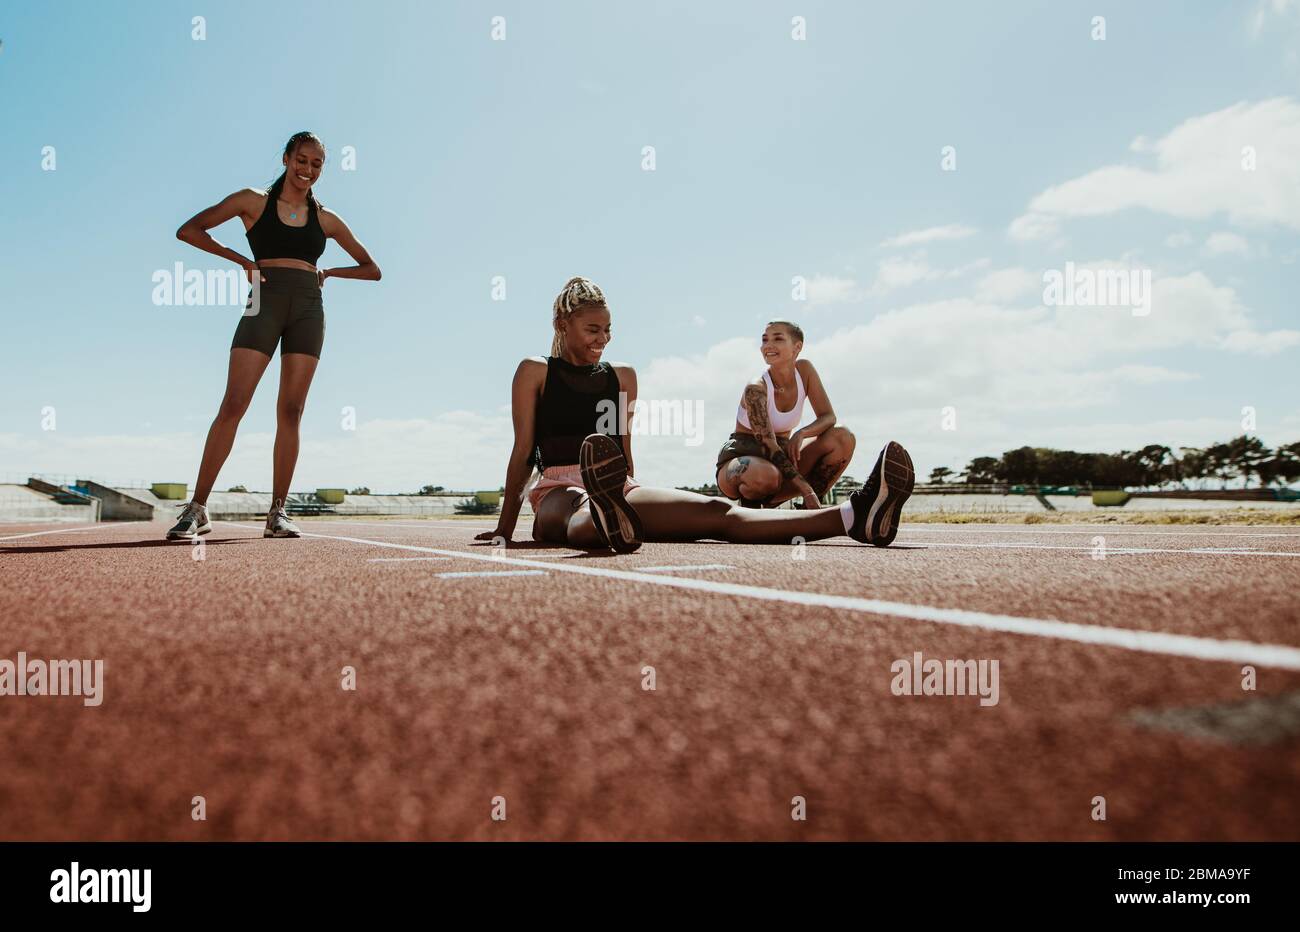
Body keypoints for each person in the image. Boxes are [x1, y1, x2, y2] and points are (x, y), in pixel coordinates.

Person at [476, 277, 915, 553]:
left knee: (716, 512)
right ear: (563, 324)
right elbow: (522, 451)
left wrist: (632, 490)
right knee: (577, 518)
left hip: (618, 487)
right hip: (557, 488)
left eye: (608, 329)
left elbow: (622, 449)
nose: (603, 338)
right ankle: (607, 517)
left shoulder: (622, 376)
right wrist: (504, 529)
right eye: (593, 329)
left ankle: (857, 517)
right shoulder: (535, 372)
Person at [165, 131, 381, 541]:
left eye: (317, 164)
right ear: (286, 158)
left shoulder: (327, 219)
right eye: (302, 160)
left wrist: (331, 272)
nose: (308, 170)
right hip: (263, 302)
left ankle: (277, 512)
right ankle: (197, 508)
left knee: (291, 411)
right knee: (233, 404)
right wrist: (241, 260)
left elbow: (372, 269)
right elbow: (189, 230)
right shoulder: (253, 202)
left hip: (308, 310)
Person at [715, 320, 856, 509]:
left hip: (782, 458)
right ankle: (752, 507)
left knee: (843, 437)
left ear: (797, 347)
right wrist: (805, 489)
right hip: (742, 458)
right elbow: (769, 446)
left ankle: (807, 510)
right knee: (766, 475)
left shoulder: (804, 371)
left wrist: (802, 433)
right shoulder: (756, 388)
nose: (768, 345)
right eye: (765, 340)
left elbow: (828, 416)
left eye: (778, 339)